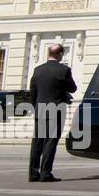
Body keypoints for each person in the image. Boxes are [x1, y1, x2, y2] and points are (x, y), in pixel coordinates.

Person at [27, 44, 76, 183]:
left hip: (40, 109)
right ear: (60, 54)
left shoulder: (38, 70)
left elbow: (33, 93)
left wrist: (36, 107)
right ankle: (45, 173)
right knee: (50, 142)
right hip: (56, 109)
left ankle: (33, 173)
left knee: (37, 142)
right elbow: (72, 88)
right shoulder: (63, 70)